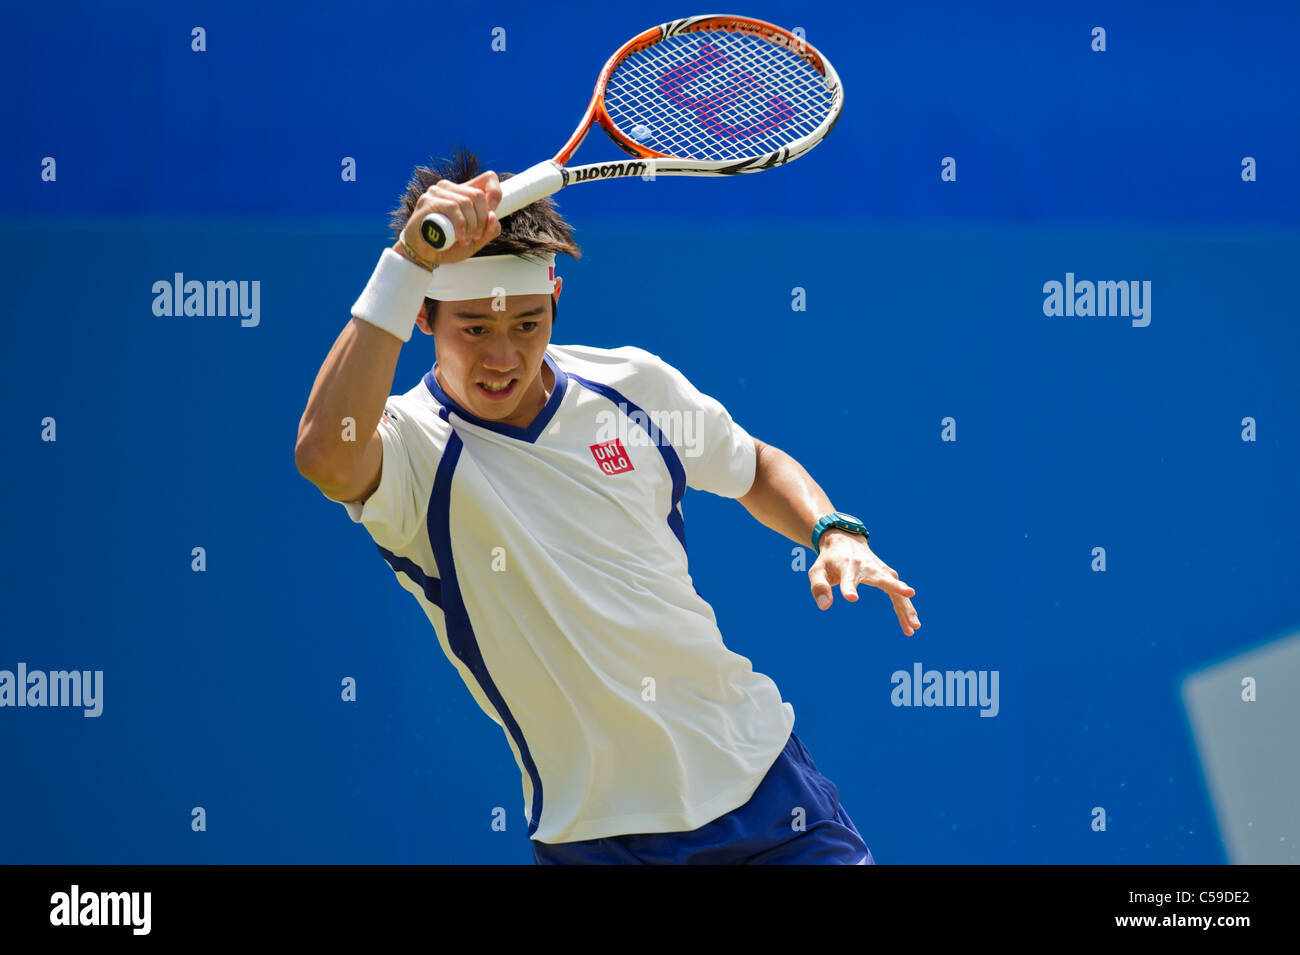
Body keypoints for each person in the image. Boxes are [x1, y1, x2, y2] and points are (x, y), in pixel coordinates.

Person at [294, 146, 920, 864]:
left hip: (764, 795)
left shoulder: (633, 385)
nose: (503, 355)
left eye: (527, 324)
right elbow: (324, 455)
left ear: (555, 300)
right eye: (475, 329)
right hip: (596, 842)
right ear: (426, 318)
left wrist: (831, 529)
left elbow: (755, 468)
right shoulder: (409, 453)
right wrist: (404, 264)